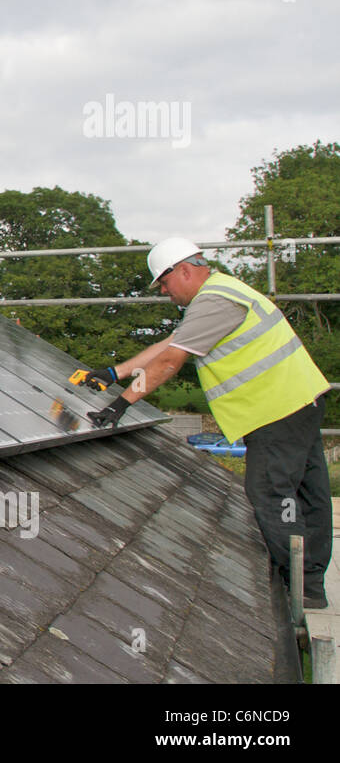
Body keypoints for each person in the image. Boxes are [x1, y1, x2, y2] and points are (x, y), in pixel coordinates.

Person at [77, 237, 333, 609]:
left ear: (183, 269)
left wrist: (121, 404)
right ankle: (311, 581)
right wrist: (114, 373)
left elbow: (169, 362)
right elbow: (169, 345)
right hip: (299, 400)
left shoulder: (213, 302)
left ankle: (301, 583)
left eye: (164, 283)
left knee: (270, 493)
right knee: (310, 493)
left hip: (276, 410)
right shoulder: (221, 293)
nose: (164, 292)